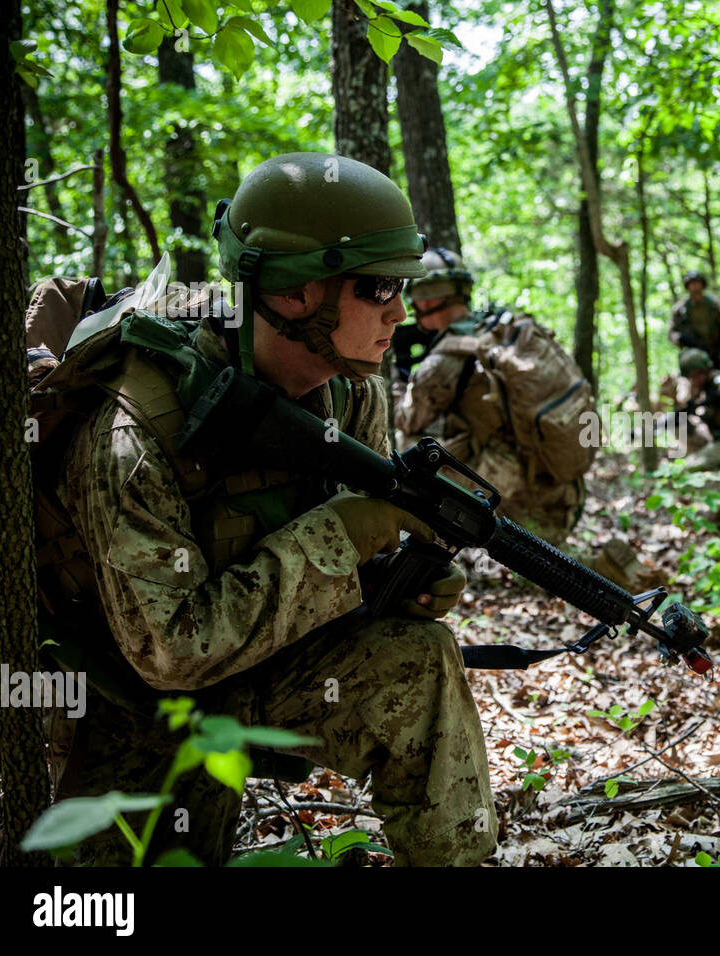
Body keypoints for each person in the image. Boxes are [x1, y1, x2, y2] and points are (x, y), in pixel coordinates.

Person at [39, 153, 496, 867]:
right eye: (378, 288)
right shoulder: (134, 429)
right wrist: (340, 540)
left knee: (421, 660)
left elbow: (348, 563)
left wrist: (397, 581)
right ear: (294, 295)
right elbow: (170, 651)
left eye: (402, 289)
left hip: (264, 665)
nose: (400, 314)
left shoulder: (352, 390)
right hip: (127, 702)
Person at [393, 248, 585, 548]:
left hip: (517, 494)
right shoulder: (494, 330)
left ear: (428, 298)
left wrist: (399, 376)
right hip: (556, 483)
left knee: (409, 448)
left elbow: (406, 417)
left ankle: (428, 543)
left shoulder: (446, 357)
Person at [674, 348, 720, 470]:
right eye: (690, 376)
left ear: (705, 371)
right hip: (717, 439)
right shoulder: (700, 391)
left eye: (697, 374)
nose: (694, 380)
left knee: (686, 468)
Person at [669, 271, 720, 372]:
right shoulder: (680, 309)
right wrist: (681, 339)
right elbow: (671, 333)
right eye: (691, 283)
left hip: (716, 354)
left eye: (697, 282)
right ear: (687, 286)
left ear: (702, 284)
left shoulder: (715, 305)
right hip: (691, 356)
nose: (694, 286)